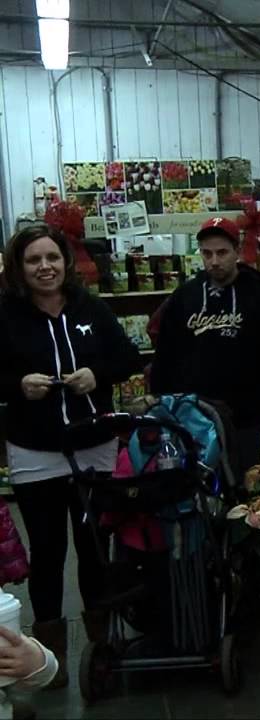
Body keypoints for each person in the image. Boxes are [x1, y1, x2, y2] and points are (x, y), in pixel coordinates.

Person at [0, 224, 142, 688]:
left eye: (52, 258)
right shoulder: (6, 314)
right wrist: (17, 386)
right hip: (34, 450)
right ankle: (47, 661)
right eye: (33, 260)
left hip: (94, 447)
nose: (45, 267)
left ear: (66, 262)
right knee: (47, 552)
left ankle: (103, 650)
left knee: (94, 548)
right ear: (19, 269)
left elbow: (128, 359)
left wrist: (95, 375)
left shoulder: (91, 309)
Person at [150, 217, 260, 482]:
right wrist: (162, 405)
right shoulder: (185, 297)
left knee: (246, 483)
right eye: (207, 253)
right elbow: (166, 354)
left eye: (222, 252)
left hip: (247, 414)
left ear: (236, 251)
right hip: (194, 414)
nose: (214, 261)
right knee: (199, 486)